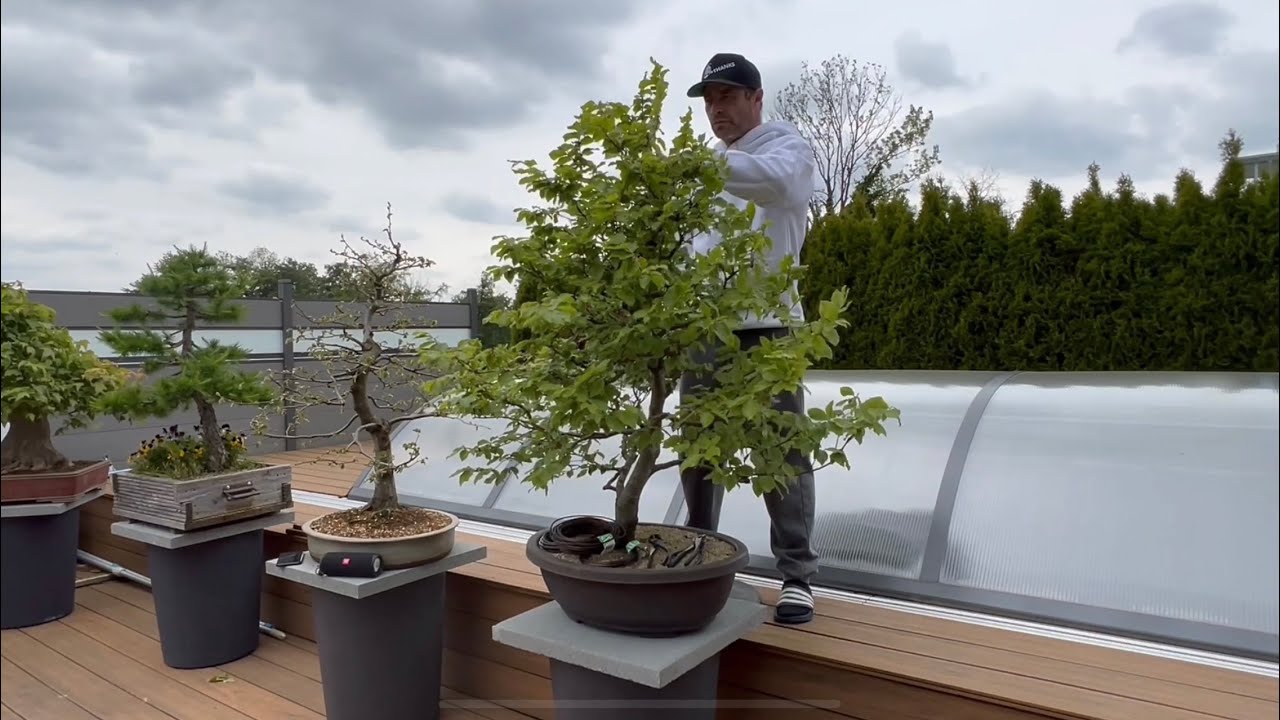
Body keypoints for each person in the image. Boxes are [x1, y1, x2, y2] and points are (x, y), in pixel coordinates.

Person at [680, 52, 820, 625]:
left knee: (781, 450)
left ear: (756, 99)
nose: (718, 109)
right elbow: (694, 246)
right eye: (710, 100)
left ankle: (797, 577)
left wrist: (697, 170)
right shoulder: (711, 165)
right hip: (707, 329)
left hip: (768, 329)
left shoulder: (786, 149)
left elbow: (775, 186)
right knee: (696, 448)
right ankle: (700, 550)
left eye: (729, 96)